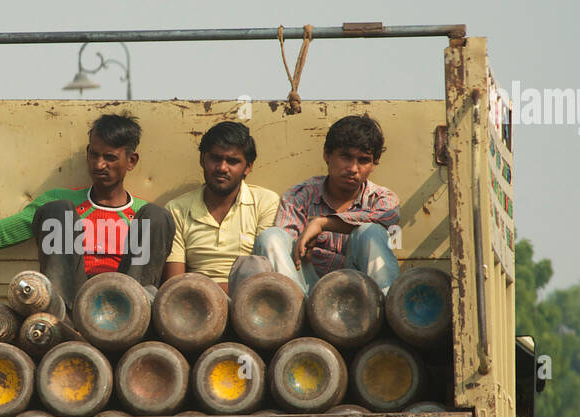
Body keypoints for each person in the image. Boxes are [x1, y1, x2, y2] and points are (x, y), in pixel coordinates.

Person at [0, 113, 174, 306]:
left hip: (127, 309)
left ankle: (130, 312)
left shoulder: (141, 214)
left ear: (131, 161)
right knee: (59, 211)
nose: (99, 164)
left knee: (157, 217)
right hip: (71, 306)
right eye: (94, 154)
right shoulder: (59, 202)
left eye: (110, 158)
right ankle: (62, 316)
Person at [254, 114, 401, 295]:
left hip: (360, 297)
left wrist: (322, 223)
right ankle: (293, 314)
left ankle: (384, 310)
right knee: (271, 236)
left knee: (372, 231)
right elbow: (285, 251)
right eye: (345, 157)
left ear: (373, 164)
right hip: (306, 292)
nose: (353, 169)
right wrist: (301, 248)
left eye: (363, 160)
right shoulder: (298, 196)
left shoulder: (381, 199)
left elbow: (386, 218)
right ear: (326, 155)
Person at [161, 121, 280, 294]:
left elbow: (264, 276)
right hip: (195, 304)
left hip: (250, 302)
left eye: (232, 161)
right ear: (202, 159)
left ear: (248, 167)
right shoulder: (176, 209)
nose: (222, 168)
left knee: (253, 264)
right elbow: (175, 283)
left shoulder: (266, 202)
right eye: (215, 158)